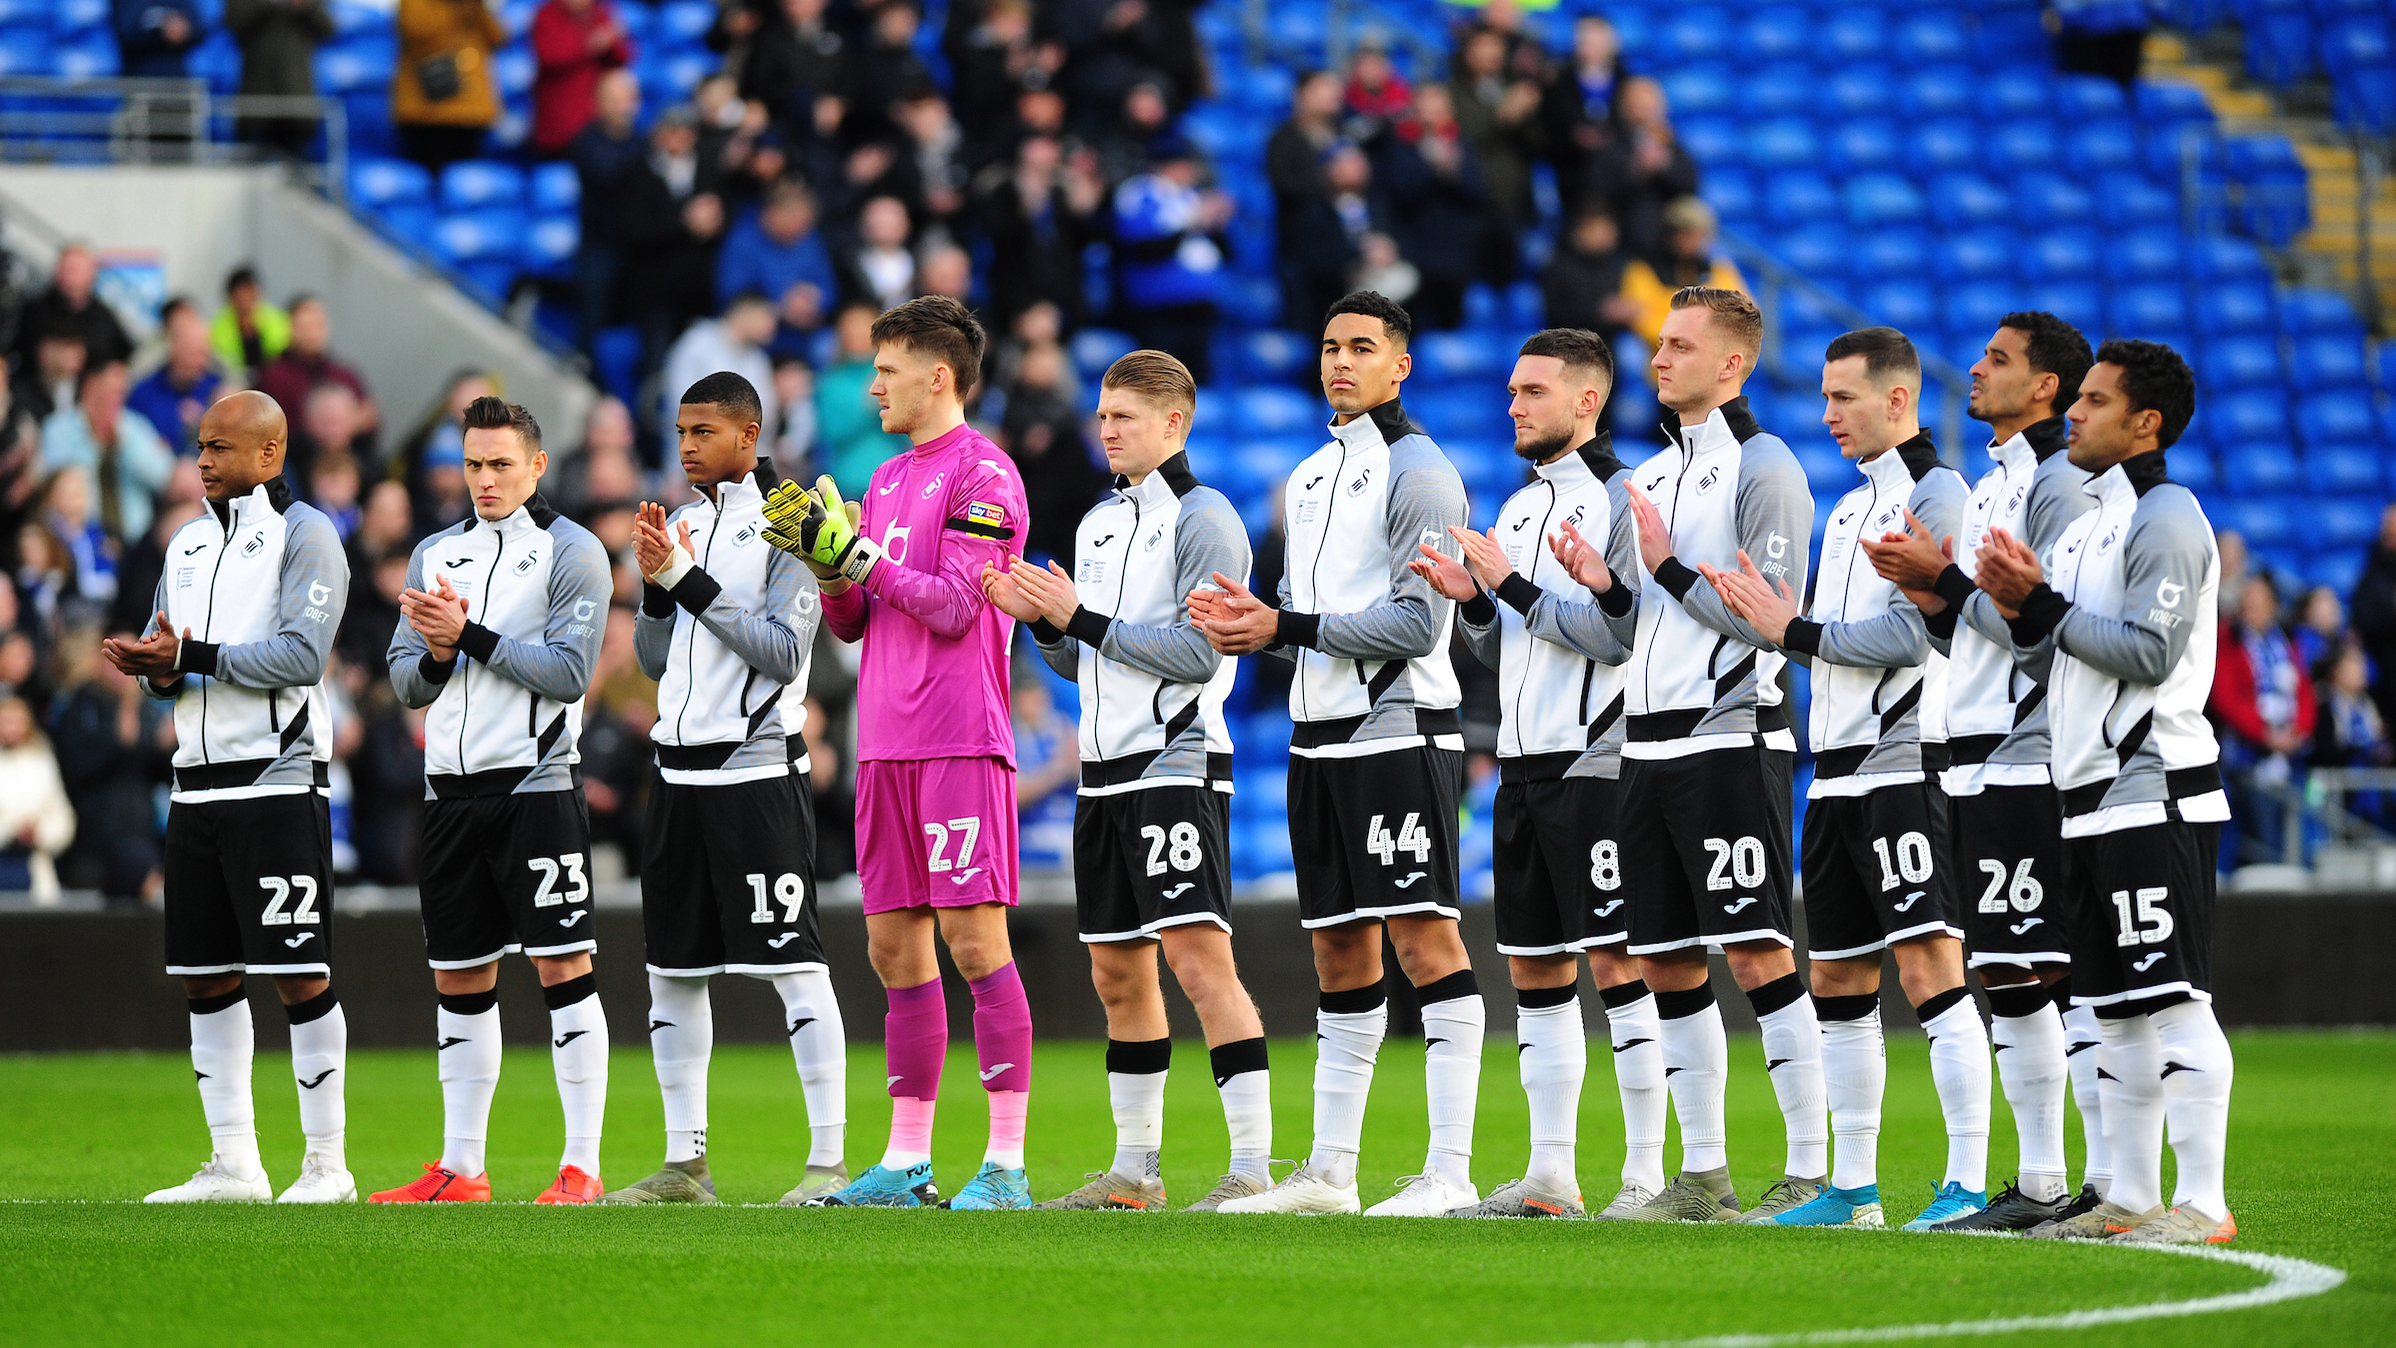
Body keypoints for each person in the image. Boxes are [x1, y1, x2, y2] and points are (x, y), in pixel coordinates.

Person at [1190, 291, 1483, 1217]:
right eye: (1329, 347)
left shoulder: (1421, 470)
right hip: (1317, 745)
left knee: (1426, 940)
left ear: (1402, 365)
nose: (1340, 362)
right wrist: (1257, 631)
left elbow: (1416, 620)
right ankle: (1329, 1174)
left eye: (1363, 348)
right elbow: (1305, 622)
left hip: (1398, 732)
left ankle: (1450, 1170)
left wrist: (1288, 624)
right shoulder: (1311, 476)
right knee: (1339, 954)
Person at [1704, 328, 1984, 1231]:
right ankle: (1853, 1189)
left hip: (1904, 764)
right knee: (1838, 979)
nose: (1827, 415)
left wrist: (1794, 635)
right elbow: (1814, 637)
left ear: (1898, 400)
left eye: (1843, 398)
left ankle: (1969, 1181)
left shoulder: (1938, 495)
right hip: (1835, 773)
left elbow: (1911, 638)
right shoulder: (1852, 507)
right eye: (1824, 398)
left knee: (1931, 964)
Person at [983, 350, 1274, 1213]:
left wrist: (1082, 619)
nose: (1107, 430)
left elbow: (1196, 653)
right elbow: (1087, 657)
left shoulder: (1207, 518)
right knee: (1117, 973)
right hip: (1103, 771)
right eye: (1103, 415)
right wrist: (1043, 627)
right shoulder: (1100, 523)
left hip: (1177, 762)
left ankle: (1252, 1165)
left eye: (1125, 417)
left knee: (1198, 961)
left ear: (1174, 423)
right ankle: (1135, 1170)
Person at [761, 296, 1035, 1210]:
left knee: (973, 940)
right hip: (884, 743)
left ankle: (1005, 1165)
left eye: (886, 369)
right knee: (891, 947)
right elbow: (852, 623)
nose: (871, 385)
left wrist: (858, 555)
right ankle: (907, 1161)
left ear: (939, 376)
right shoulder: (881, 480)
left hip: (958, 737)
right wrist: (825, 560)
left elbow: (960, 607)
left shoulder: (986, 475)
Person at [1978, 340, 2237, 1246]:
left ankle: (2201, 1202)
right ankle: (2128, 1198)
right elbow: (2048, 656)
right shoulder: (2089, 522)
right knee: (2112, 1005)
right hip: (2083, 791)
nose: (2074, 415)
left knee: (2171, 997)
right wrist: (2019, 608)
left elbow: (2150, 653)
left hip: (2152, 783)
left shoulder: (2164, 515)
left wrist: (2039, 605)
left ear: (2146, 422)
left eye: (2093, 401)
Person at [1863, 311, 2106, 1233]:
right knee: (2010, 971)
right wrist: (1932, 595)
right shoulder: (2002, 477)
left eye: (1999, 361)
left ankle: (2084, 1183)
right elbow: (1975, 630)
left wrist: (1948, 584)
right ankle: (2045, 1182)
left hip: (2027, 754)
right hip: (1967, 755)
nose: (1977, 368)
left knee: (2047, 972)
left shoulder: (2052, 483)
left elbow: (2044, 627)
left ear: (2045, 386)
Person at [1412, 328, 1659, 1220]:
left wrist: (1511, 589)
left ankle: (1645, 1178)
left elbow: (1625, 635)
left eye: (1532, 393)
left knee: (1620, 961)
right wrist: (1475, 601)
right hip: (1520, 763)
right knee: (1534, 968)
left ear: (1587, 401)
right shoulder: (1519, 507)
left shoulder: (1624, 500)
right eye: (1513, 392)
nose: (1513, 406)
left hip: (1598, 761)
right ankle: (1551, 1176)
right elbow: (1505, 642)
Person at [1608, 286, 1823, 1224]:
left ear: (1733, 364)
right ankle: (1703, 1177)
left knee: (1755, 950)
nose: (1659, 359)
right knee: (1664, 961)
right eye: (1659, 344)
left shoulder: (1764, 464)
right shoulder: (1652, 476)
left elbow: (1767, 616)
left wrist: (1662, 570)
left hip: (1731, 737)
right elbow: (1629, 626)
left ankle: (1818, 1174)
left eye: (1681, 346)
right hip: (1644, 743)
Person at [368, 397, 615, 1205]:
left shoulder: (572, 551)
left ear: (537, 465)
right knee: (459, 977)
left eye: (501, 463)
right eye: (473, 463)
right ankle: (461, 1167)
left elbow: (571, 672)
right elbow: (405, 683)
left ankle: (581, 1164)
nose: (484, 479)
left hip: (536, 787)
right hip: (450, 796)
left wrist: (467, 638)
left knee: (563, 968)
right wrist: (438, 652)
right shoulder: (436, 552)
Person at [108, 390, 352, 1204]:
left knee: (299, 973)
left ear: (271, 453)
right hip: (195, 786)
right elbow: (173, 658)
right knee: (205, 976)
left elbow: (301, 655)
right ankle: (236, 1166)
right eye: (200, 447)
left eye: (219, 447)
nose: (203, 460)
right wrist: (155, 666)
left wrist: (195, 656)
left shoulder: (307, 534)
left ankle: (327, 1167)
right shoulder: (183, 544)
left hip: (275, 784)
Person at [608, 370, 844, 1205]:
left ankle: (828, 1164)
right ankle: (686, 1164)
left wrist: (685, 580)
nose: (685, 447)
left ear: (749, 436)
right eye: (679, 432)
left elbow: (783, 653)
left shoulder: (791, 529)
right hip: (675, 774)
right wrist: (653, 583)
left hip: (756, 773)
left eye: (702, 432)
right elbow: (651, 661)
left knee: (792, 965)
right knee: (672, 971)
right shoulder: (683, 523)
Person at [2210, 571, 2314, 867]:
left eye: (2259, 603)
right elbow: (2226, 699)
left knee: (2296, 835)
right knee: (2264, 841)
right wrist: (2265, 735)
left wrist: (2298, 732)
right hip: (2248, 759)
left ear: (2272, 606)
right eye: (2247, 603)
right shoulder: (2228, 640)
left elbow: (2304, 690)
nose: (2251, 610)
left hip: (2291, 754)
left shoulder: (2285, 641)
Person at [1111, 138, 1229, 381]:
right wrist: (1193, 224)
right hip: (1159, 309)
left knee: (1196, 383)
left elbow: (1224, 251)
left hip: (1198, 307)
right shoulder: (1140, 194)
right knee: (1163, 381)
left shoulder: (1191, 196)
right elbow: (1143, 248)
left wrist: (1217, 225)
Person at [41, 359, 178, 544]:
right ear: (90, 386)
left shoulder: (133, 425)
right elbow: (58, 485)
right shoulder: (58, 429)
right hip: (78, 538)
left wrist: (124, 446)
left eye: (120, 393)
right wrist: (96, 441)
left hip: (137, 542)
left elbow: (165, 476)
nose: (115, 400)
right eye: (109, 391)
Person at [659, 294, 779, 468]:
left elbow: (768, 414)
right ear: (747, 313)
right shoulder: (696, 343)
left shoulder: (758, 359)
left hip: (746, 468)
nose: (772, 326)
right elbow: (680, 403)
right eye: (767, 317)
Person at [393, 0, 509, 174]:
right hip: (430, 113)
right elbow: (417, 31)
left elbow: (498, 37)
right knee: (431, 183)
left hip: (471, 112)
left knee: (466, 184)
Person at [253, 297, 378, 451]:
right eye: (305, 327)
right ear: (290, 329)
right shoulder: (274, 376)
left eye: (318, 325)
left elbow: (369, 418)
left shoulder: (345, 375)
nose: (312, 334)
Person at [716, 179, 837, 335]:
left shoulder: (809, 240)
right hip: (758, 335)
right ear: (772, 213)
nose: (800, 230)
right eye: (795, 221)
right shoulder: (741, 242)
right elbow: (733, 294)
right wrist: (780, 304)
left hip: (806, 331)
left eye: (805, 223)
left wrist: (815, 299)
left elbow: (829, 286)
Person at [1619, 198, 1744, 348]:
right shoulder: (1642, 271)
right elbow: (1643, 320)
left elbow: (1741, 315)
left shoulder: (1720, 270)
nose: (1688, 240)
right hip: (1659, 356)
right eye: (1682, 232)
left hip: (1709, 357)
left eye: (1696, 233)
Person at [813, 301, 909, 495]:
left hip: (896, 480)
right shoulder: (830, 382)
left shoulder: (898, 374)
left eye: (863, 326)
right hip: (848, 484)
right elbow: (832, 431)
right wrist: (869, 404)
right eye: (849, 327)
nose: (855, 333)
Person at [226, 0, 335, 158]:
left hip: (296, 103)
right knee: (250, 175)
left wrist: (306, 7)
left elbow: (329, 29)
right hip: (256, 101)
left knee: (297, 175)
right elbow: (232, 22)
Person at [529, 0, 631, 159]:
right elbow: (551, 56)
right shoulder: (547, 15)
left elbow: (622, 56)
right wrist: (592, 44)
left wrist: (613, 39)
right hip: (558, 121)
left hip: (594, 120)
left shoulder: (599, 12)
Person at [16, 243, 132, 373]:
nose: (71, 278)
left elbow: (121, 358)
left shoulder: (104, 319)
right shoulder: (34, 312)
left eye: (76, 271)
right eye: (67, 269)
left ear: (91, 274)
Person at [129, 298, 225, 453]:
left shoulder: (217, 389)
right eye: (195, 354)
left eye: (205, 354)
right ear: (175, 350)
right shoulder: (142, 395)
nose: (202, 362)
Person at [210, 266, 291, 376]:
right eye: (242, 292)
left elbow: (282, 355)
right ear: (231, 296)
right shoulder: (219, 326)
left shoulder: (276, 319)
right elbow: (222, 360)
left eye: (251, 291)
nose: (246, 297)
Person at [113, 0, 203, 78]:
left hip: (176, 78)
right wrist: (161, 30)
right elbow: (125, 31)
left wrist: (183, 31)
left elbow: (200, 29)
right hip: (139, 77)